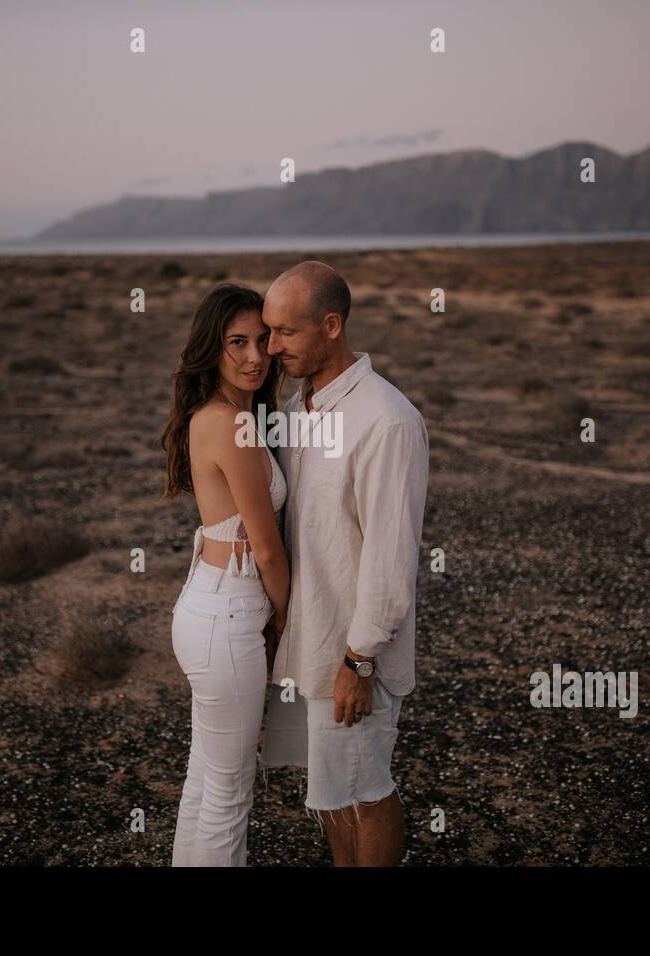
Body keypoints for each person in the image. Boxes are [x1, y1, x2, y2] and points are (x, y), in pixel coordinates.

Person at [259, 260, 429, 867]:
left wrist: (358, 660)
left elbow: (390, 556)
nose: (271, 346)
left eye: (286, 333)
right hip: (304, 643)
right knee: (328, 793)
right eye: (268, 331)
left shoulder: (384, 421)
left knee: (366, 791)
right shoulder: (293, 412)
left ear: (331, 326)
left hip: (352, 654)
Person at [160, 283, 289, 866]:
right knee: (229, 796)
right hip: (228, 619)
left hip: (209, 609)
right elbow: (265, 549)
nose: (255, 356)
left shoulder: (223, 415)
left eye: (263, 340)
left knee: (205, 783)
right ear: (211, 347)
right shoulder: (231, 424)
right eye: (238, 342)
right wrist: (288, 617)